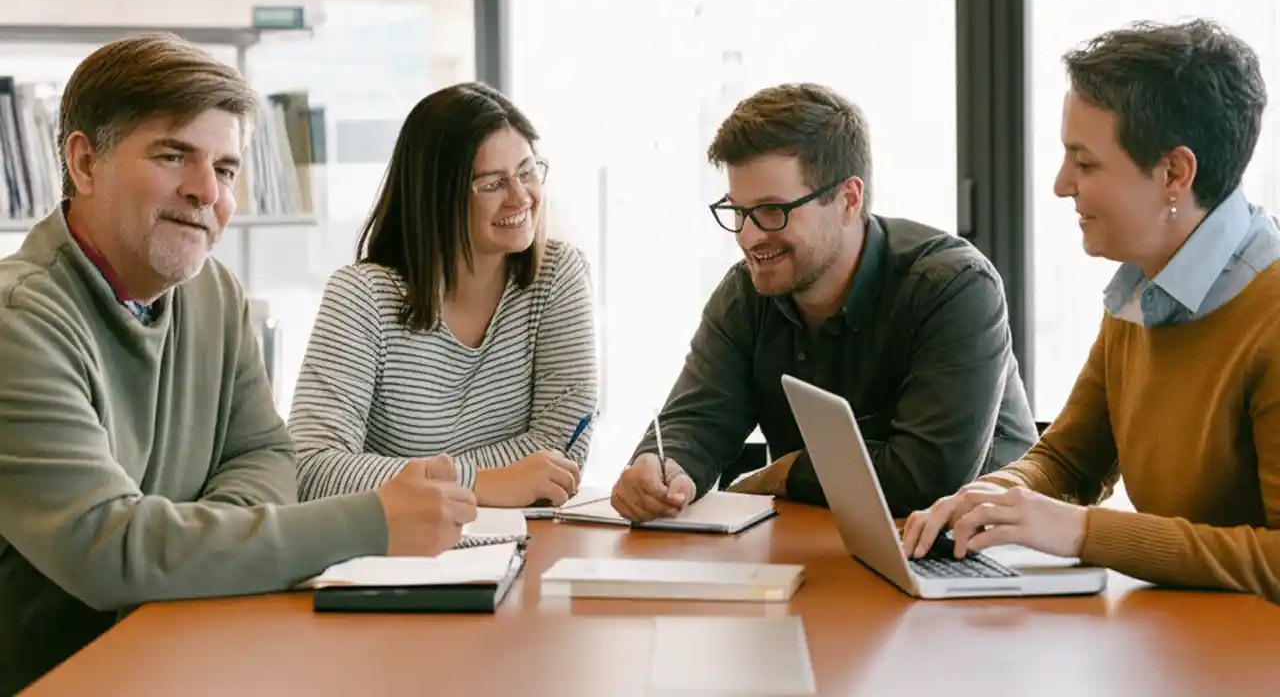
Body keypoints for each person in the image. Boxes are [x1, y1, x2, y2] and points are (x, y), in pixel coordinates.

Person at [0, 34, 477, 695]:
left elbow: (262, 455)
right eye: (173, 156)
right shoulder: (17, 320)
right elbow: (109, 551)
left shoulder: (212, 293)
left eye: (225, 169)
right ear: (84, 162)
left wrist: (193, 551)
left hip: (188, 648)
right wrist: (372, 522)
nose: (206, 192)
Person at [902, 19, 1280, 603]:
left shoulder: (1270, 315)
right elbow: (1069, 458)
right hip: (1180, 640)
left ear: (1175, 173)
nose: (1060, 184)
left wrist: (1079, 531)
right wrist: (997, 498)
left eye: (1085, 162)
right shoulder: (1144, 285)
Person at [610, 83, 1038, 522]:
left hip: (980, 556)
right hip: (827, 541)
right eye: (737, 210)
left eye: (772, 210)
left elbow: (927, 477)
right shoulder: (748, 291)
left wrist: (785, 473)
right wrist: (664, 468)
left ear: (848, 200)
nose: (748, 236)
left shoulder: (954, 286)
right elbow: (697, 420)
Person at [288, 82, 598, 508]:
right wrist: (482, 482)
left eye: (527, 172)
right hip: (392, 558)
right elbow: (312, 469)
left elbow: (559, 456)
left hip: (523, 545)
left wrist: (403, 477)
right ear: (438, 195)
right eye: (492, 184)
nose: (521, 196)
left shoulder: (558, 276)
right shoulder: (360, 297)